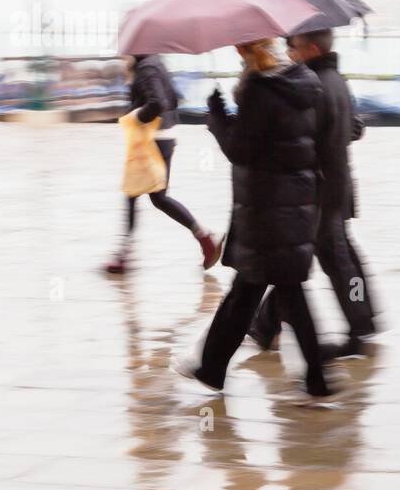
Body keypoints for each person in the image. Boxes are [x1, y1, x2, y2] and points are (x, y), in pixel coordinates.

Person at [172, 39, 329, 397]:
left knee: (279, 289)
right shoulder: (298, 81)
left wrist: (217, 116)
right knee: (251, 287)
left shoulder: (261, 88)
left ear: (243, 51)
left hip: (267, 207)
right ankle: (213, 367)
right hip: (292, 201)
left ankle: (317, 378)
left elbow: (241, 150)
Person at [248, 28, 377, 360]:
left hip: (317, 191)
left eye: (294, 47)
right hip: (337, 184)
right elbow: (355, 127)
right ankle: (361, 320)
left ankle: (357, 329)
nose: (289, 53)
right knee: (330, 256)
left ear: (313, 49)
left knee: (312, 262)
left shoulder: (314, 85)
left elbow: (302, 135)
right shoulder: (337, 79)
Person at [105, 54, 223, 274]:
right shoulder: (154, 63)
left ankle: (124, 253)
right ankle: (205, 236)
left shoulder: (148, 68)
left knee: (134, 193)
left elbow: (159, 102)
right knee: (157, 197)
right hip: (162, 137)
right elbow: (174, 98)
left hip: (153, 140)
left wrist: (136, 116)